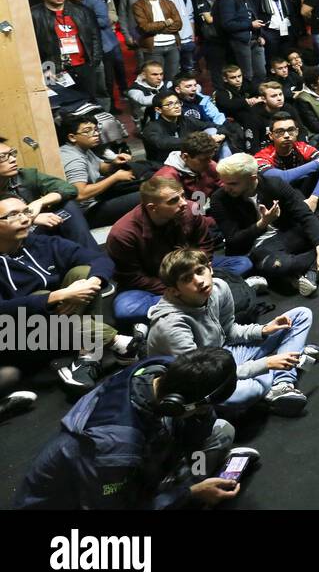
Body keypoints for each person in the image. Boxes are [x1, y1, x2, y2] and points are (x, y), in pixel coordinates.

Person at [15, 348, 251, 509]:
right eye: (201, 408)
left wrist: (199, 418)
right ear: (183, 403)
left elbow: (198, 432)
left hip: (135, 462)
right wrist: (191, 493)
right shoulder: (117, 446)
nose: (204, 412)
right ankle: (190, 489)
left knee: (221, 431)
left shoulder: (160, 369)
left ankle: (187, 484)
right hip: (87, 500)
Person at [147, 248, 314, 417]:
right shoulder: (171, 325)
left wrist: (263, 330)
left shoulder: (219, 288)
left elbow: (230, 331)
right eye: (187, 279)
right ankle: (285, 364)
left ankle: (281, 384)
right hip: (199, 381)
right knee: (243, 392)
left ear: (210, 269)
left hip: (224, 353)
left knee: (301, 315)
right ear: (174, 290)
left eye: (200, 271)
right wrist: (265, 364)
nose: (198, 280)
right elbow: (202, 376)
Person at [0, 194, 133, 395]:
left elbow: (98, 258)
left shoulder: (40, 243)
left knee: (84, 273)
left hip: (58, 329)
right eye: (13, 215)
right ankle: (117, 342)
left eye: (26, 212)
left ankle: (87, 353)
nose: (26, 219)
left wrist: (91, 283)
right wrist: (54, 297)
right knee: (43, 295)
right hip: (17, 337)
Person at [106, 175, 255, 325]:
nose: (184, 203)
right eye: (173, 201)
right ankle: (217, 295)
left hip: (192, 268)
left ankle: (179, 308)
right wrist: (179, 287)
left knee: (243, 263)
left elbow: (205, 245)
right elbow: (134, 277)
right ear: (152, 207)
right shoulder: (123, 234)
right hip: (153, 282)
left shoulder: (192, 209)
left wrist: (200, 272)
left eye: (183, 195)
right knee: (126, 309)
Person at [210, 153, 319, 298]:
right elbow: (233, 240)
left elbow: (305, 216)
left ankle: (314, 270)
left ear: (252, 178)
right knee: (280, 266)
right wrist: (262, 224)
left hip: (288, 234)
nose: (226, 188)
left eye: (232, 184)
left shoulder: (274, 184)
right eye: (223, 182)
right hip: (257, 247)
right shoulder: (219, 199)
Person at [0, 135, 97, 249]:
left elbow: (69, 189)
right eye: (3, 157)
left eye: (12, 153)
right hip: (10, 241)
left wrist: (39, 202)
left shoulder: (24, 176)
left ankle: (93, 258)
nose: (12, 159)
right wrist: (31, 219)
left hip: (36, 230)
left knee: (67, 206)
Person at [57, 115, 140, 229]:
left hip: (98, 198)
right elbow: (80, 194)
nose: (95, 134)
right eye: (88, 131)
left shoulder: (83, 148)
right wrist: (115, 177)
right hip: (87, 212)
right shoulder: (73, 159)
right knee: (146, 196)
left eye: (95, 130)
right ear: (72, 137)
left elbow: (101, 167)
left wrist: (115, 163)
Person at [31, 0, 101, 97]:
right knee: (57, 103)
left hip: (83, 66)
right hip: (50, 68)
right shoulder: (34, 14)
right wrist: (42, 69)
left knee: (89, 101)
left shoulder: (82, 11)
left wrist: (94, 62)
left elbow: (95, 36)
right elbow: (31, 45)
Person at [216, 0, 266, 83]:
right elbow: (227, 24)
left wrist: (259, 34)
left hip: (255, 39)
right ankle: (247, 99)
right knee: (247, 75)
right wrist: (250, 25)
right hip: (241, 41)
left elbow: (253, 15)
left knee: (261, 73)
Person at [142, 91, 213, 164]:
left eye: (177, 102)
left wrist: (220, 134)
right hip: (163, 166)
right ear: (158, 110)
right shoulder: (151, 128)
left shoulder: (186, 119)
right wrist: (201, 141)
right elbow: (164, 143)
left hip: (188, 162)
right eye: (170, 104)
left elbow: (212, 125)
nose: (177, 106)